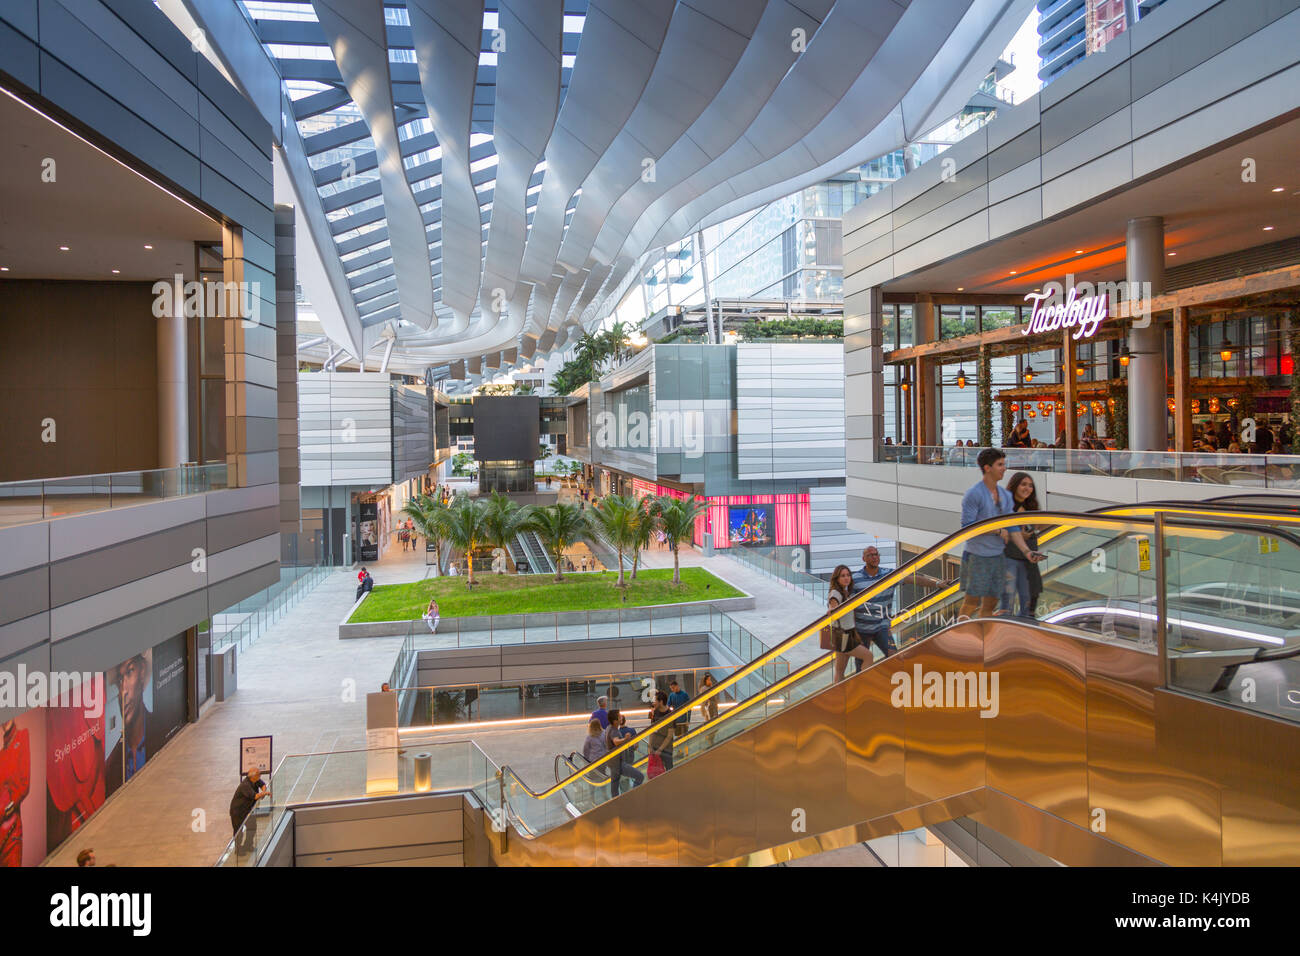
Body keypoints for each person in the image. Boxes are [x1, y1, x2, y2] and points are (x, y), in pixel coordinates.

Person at [957, 449, 1042, 620]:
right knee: (971, 602)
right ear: (988, 468)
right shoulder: (974, 494)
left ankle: (984, 641)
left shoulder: (1004, 495)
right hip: (977, 556)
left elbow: (1012, 527)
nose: (1004, 468)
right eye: (1000, 465)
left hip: (998, 557)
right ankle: (960, 637)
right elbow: (967, 526)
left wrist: (1026, 551)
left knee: (991, 606)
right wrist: (997, 530)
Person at [106, 650, 162, 794]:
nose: (123, 690)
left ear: (142, 672)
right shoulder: (111, 766)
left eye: (130, 672)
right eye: (119, 680)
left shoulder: (160, 733)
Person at [1000, 472, 1043, 619]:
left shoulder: (1031, 506)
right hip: (1010, 556)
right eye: (1023, 484)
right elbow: (1001, 531)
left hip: (1029, 557)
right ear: (1015, 485)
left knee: (1029, 597)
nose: (1027, 488)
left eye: (1030, 485)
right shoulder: (1006, 505)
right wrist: (1018, 534)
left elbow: (1036, 526)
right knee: (1008, 600)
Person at [827, 564, 873, 682]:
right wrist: (832, 610)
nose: (846, 578)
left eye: (848, 575)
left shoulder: (844, 592)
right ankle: (862, 685)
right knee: (868, 656)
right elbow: (833, 605)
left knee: (840, 669)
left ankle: (838, 695)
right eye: (842, 576)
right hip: (843, 635)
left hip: (845, 633)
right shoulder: (836, 593)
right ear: (837, 578)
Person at [0, 719, 31, 868]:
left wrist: (5, 809)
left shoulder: (22, 737)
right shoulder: (2, 754)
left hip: (12, 828)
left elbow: (24, 785)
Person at [229, 767, 269, 854]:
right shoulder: (245, 785)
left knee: (252, 827)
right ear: (253, 776)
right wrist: (264, 793)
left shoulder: (255, 780)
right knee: (239, 831)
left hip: (248, 810)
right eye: (259, 774)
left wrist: (263, 791)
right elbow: (254, 796)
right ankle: (238, 849)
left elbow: (263, 785)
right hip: (238, 812)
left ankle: (248, 845)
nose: (260, 776)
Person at [604, 709, 643, 795]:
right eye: (619, 716)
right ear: (615, 721)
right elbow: (616, 741)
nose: (621, 717)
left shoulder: (609, 728)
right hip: (618, 763)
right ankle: (631, 796)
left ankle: (615, 802)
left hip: (613, 762)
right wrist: (625, 739)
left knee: (615, 785)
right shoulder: (614, 730)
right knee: (640, 776)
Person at [647, 691, 675, 772]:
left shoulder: (670, 714)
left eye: (655, 700)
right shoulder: (655, 712)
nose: (654, 703)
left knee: (669, 772)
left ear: (661, 702)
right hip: (655, 749)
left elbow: (669, 736)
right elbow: (652, 730)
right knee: (655, 773)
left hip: (666, 750)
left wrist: (660, 750)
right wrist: (650, 746)